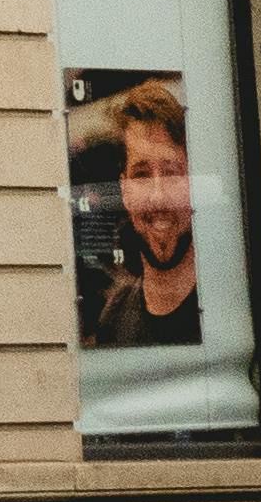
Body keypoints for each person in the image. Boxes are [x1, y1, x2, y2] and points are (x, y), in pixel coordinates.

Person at [71, 78, 205, 346]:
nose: (157, 196)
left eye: (171, 173)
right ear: (125, 190)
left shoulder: (226, 304)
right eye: (142, 175)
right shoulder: (114, 318)